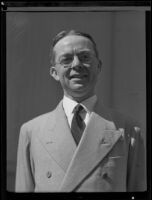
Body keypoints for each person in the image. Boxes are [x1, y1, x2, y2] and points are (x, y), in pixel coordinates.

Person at [15, 30, 146, 192]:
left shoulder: (129, 129)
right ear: (54, 73)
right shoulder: (31, 132)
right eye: (66, 59)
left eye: (85, 57)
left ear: (98, 66)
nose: (77, 64)